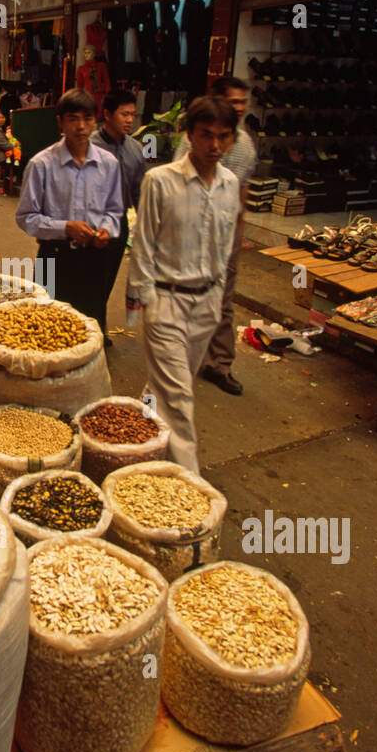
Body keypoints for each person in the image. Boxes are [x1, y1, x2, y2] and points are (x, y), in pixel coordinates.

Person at [126, 94, 241, 473]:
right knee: (179, 397)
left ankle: (138, 433)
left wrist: (219, 295)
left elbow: (224, 248)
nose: (215, 146)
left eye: (224, 137)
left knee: (166, 387)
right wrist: (146, 301)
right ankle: (188, 478)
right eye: (206, 135)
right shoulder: (160, 181)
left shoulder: (229, 184)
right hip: (167, 302)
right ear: (188, 134)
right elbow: (143, 245)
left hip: (206, 303)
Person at [173, 76, 257, 395]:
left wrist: (238, 232)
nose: (239, 108)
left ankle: (219, 364)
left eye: (242, 103)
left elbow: (243, 189)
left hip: (226, 233)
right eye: (233, 102)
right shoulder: (193, 140)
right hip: (192, 232)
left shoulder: (245, 144)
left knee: (222, 300)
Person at [15, 89, 123, 332]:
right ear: (60, 122)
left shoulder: (108, 164)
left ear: (96, 121)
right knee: (46, 329)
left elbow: (115, 210)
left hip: (94, 259)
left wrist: (106, 229)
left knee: (88, 329)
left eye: (87, 118)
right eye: (73, 119)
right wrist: (66, 227)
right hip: (54, 257)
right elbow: (25, 217)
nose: (81, 126)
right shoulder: (41, 164)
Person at [91, 90, 147, 346]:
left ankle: (97, 328)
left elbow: (138, 192)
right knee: (90, 279)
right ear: (107, 115)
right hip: (90, 224)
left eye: (132, 115)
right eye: (124, 114)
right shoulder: (89, 145)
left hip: (119, 224)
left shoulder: (136, 150)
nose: (129, 120)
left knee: (106, 281)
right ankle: (89, 331)